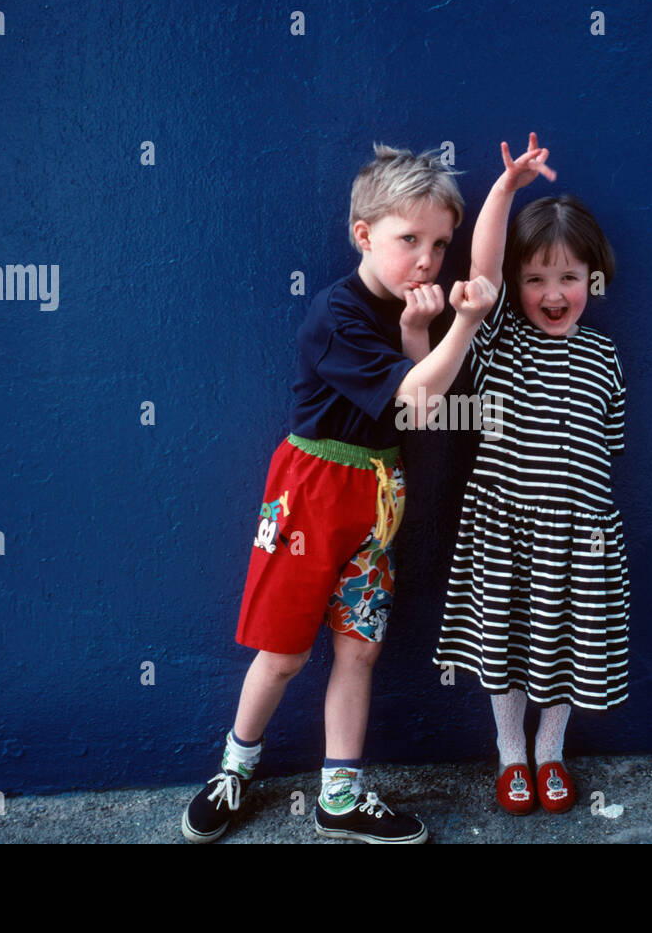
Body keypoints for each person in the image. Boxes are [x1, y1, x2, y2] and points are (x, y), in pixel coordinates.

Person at [183, 144, 497, 843]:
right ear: (363, 233)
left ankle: (340, 792)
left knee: (359, 647)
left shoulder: (405, 309)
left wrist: (421, 329)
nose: (428, 258)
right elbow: (415, 391)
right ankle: (235, 765)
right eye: (408, 239)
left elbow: (418, 412)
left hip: (379, 494)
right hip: (312, 492)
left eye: (441, 243)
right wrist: (465, 324)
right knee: (285, 651)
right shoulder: (337, 314)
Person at [434, 134, 629, 815]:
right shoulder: (500, 340)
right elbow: (481, 269)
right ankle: (510, 753)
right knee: (507, 642)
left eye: (569, 277)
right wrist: (504, 188)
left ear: (593, 279)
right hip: (505, 528)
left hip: (577, 536)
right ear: (518, 284)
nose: (553, 293)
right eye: (537, 278)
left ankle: (551, 750)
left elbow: (609, 448)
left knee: (564, 643)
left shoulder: (605, 358)